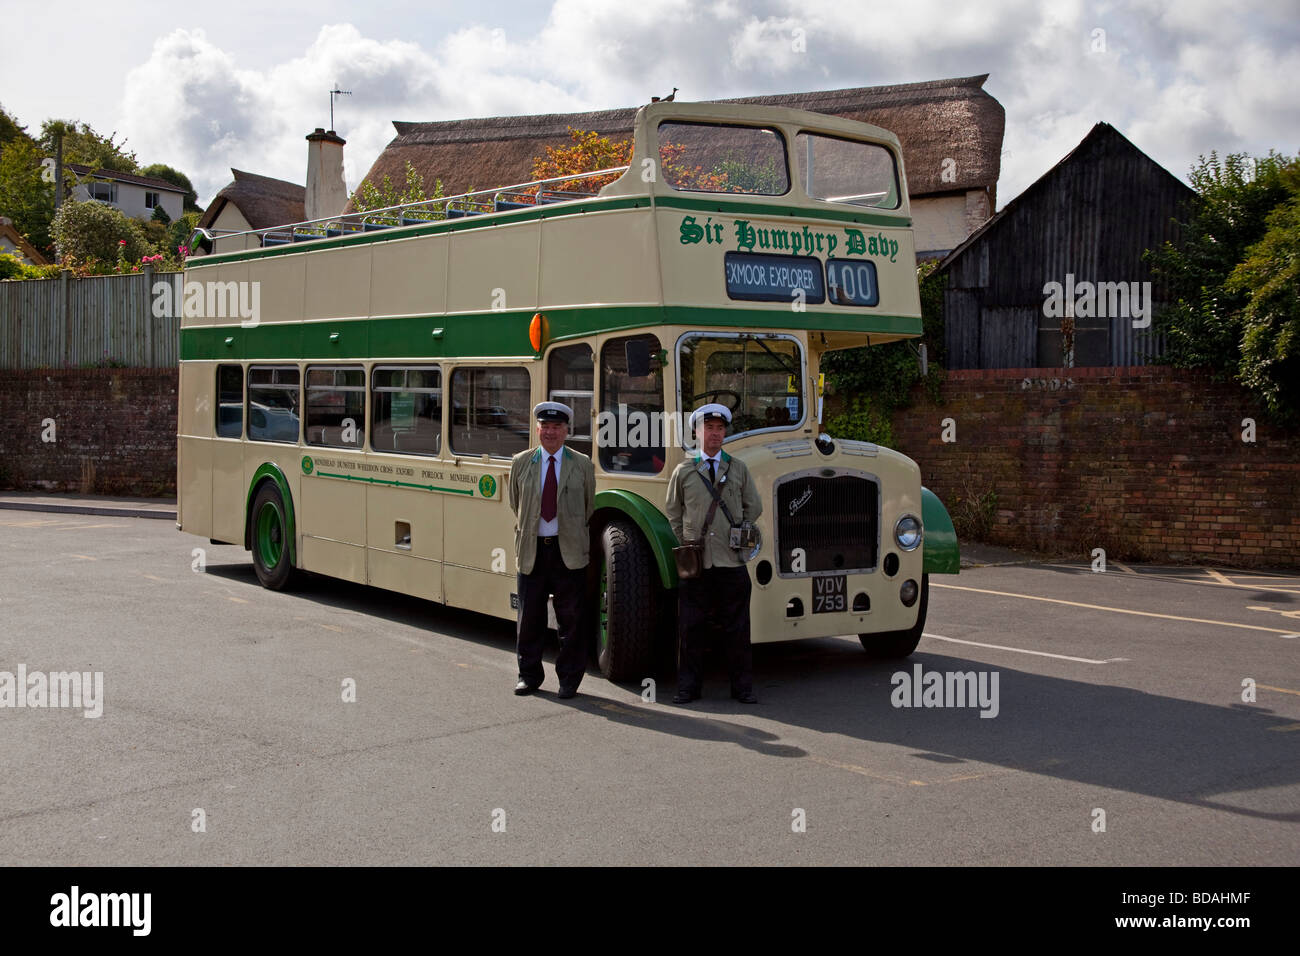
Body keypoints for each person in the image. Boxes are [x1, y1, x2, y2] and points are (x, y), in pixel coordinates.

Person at [665, 403, 762, 704]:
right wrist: (687, 539)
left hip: (731, 561)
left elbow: (754, 507)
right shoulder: (684, 470)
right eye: (709, 428)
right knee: (691, 629)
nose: (715, 434)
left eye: (719, 429)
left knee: (738, 629)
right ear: (697, 432)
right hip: (696, 564)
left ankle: (742, 689)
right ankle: (688, 688)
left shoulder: (737, 468)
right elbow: (672, 510)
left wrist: (740, 531)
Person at [508, 401, 596, 699]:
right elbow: (516, 504)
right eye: (545, 427)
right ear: (537, 429)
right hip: (532, 550)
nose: (550, 432)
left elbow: (588, 507)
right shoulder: (521, 461)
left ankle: (569, 680)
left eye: (556, 427)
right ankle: (528, 676)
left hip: (567, 552)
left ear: (566, 431)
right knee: (529, 618)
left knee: (570, 620)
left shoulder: (582, 464)